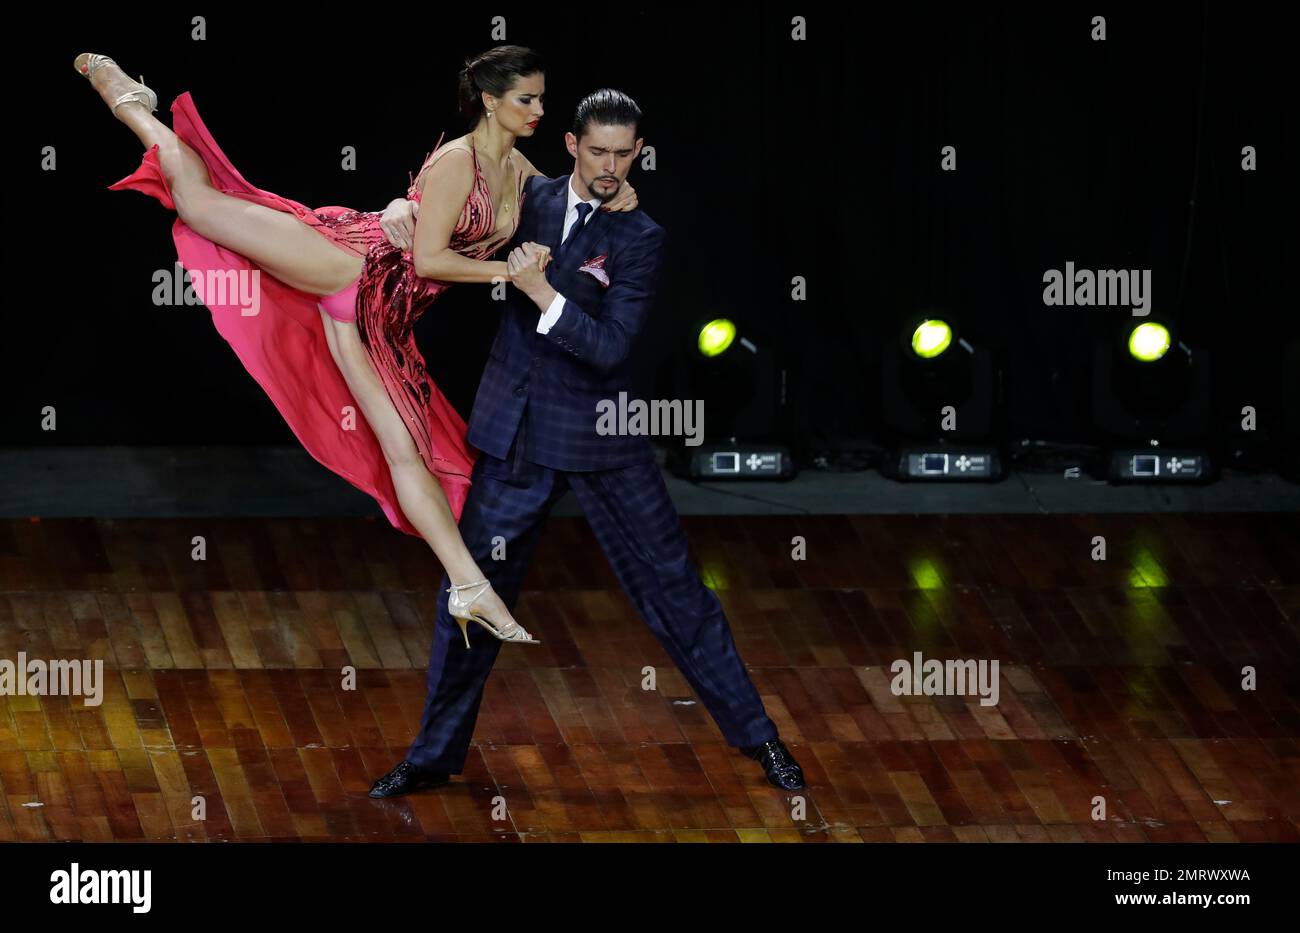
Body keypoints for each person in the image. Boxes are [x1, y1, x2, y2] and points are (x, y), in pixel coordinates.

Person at [72, 45, 637, 644]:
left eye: (542, 98)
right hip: (350, 265)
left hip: (380, 319)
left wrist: (613, 193)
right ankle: (128, 100)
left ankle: (468, 588)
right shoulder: (457, 161)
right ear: (492, 102)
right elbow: (429, 258)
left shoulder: (519, 171)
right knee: (201, 202)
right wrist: (510, 274)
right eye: (527, 99)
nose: (539, 109)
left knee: (404, 452)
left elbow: (564, 204)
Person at [369, 89, 806, 796]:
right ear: (571, 146)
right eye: (596, 150)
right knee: (470, 594)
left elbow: (607, 348)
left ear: (638, 153)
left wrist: (540, 290)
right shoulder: (527, 197)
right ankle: (430, 756)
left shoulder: (641, 237)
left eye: (622, 153)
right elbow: (453, 215)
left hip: (605, 439)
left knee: (678, 594)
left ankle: (762, 740)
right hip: (516, 439)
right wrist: (402, 210)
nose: (609, 166)